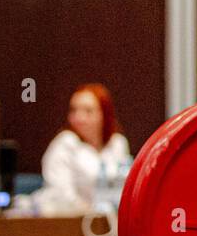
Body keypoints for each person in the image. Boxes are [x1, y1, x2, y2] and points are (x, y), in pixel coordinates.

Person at [34, 83, 130, 216]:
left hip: (111, 222)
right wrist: (92, 212)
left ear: (104, 114)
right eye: (73, 110)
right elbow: (61, 194)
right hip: (70, 222)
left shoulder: (118, 143)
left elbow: (124, 188)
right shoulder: (64, 143)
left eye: (88, 111)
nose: (79, 118)